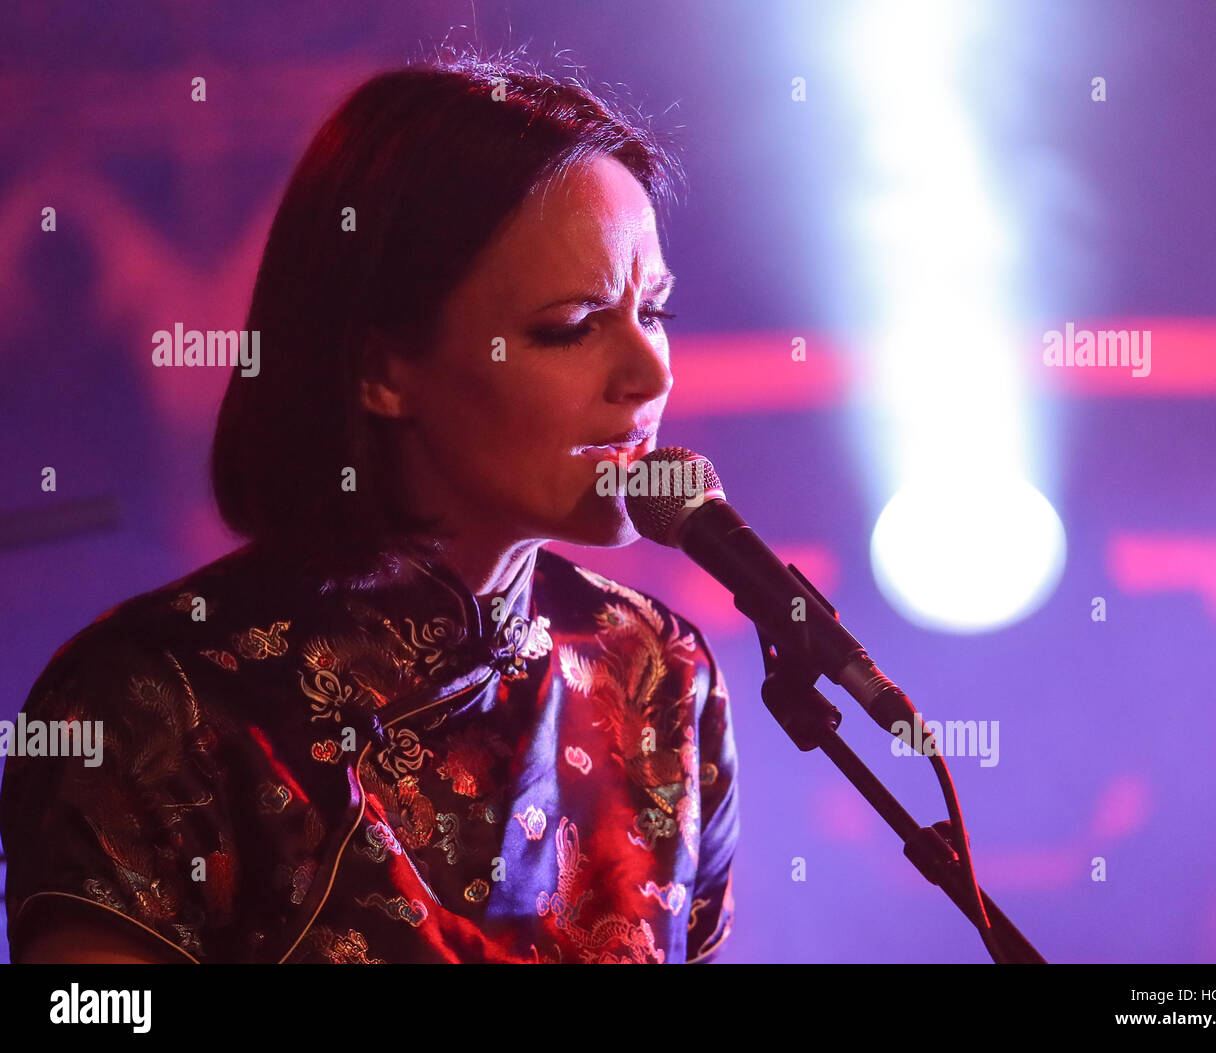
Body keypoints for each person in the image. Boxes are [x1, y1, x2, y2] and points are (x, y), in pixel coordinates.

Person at [0, 54, 739, 964]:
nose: (652, 373)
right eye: (571, 325)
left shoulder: (660, 669)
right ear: (384, 369)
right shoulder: (154, 698)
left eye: (653, 311)